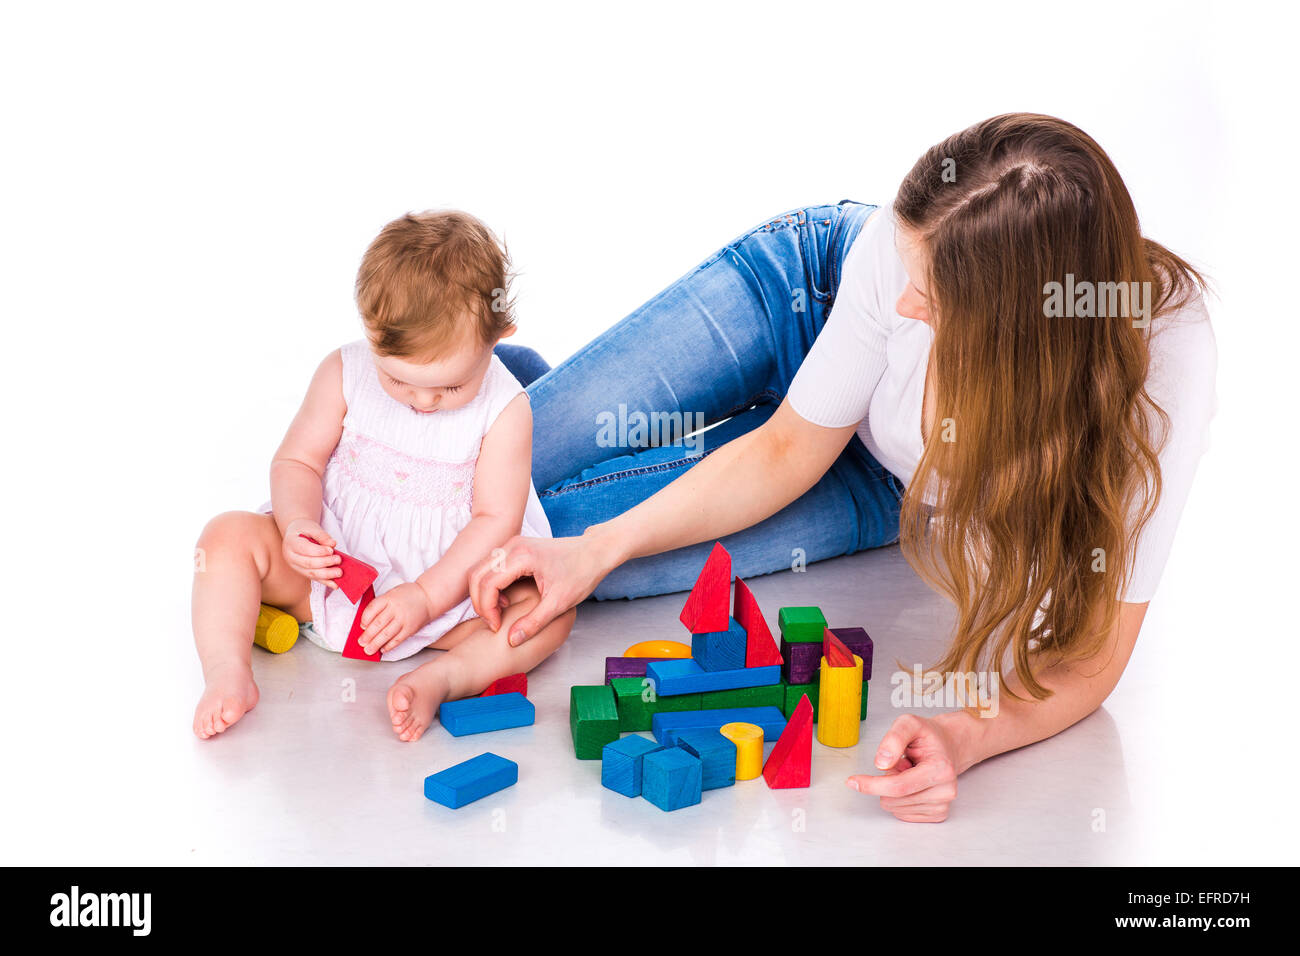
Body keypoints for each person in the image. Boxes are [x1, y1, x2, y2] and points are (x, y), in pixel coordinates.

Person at [469, 114, 1217, 822]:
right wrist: (602, 545)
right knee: (488, 475)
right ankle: (516, 388)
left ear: (1013, 336)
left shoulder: (1166, 371)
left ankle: (548, 408)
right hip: (801, 295)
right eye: (909, 263)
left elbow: (1094, 658)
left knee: (542, 548)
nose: (903, 300)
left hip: (881, 474)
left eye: (930, 293)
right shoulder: (894, 262)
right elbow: (787, 446)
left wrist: (965, 736)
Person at [191, 210, 574, 742]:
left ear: (499, 335)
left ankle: (445, 676)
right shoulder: (342, 372)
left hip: (449, 597)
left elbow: (495, 519)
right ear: (369, 334)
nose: (422, 402)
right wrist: (297, 523)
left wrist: (423, 596)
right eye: (397, 379)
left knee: (550, 610)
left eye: (450, 388)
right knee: (225, 537)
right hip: (328, 573)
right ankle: (228, 673)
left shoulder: (506, 409)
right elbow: (297, 460)